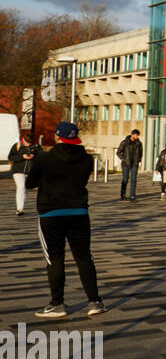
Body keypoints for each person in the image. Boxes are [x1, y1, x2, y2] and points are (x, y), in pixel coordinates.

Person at [27, 122, 104, 318]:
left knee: (54, 258)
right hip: (78, 212)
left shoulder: (44, 158)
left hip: (50, 213)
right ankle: (95, 301)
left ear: (57, 136)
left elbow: (30, 184)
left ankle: (57, 303)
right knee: (84, 256)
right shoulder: (86, 159)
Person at [8, 132, 40, 216]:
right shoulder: (17, 145)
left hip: (30, 171)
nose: (29, 144)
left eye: (30, 143)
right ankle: (20, 209)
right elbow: (10, 157)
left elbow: (41, 156)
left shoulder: (36, 146)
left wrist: (34, 156)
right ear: (23, 140)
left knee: (25, 188)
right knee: (21, 186)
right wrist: (22, 157)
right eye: (27, 143)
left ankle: (22, 206)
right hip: (18, 171)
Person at [116, 129, 143, 202]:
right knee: (125, 179)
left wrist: (138, 160)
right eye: (136, 135)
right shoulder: (125, 142)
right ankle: (123, 194)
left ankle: (132, 196)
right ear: (132, 134)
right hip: (126, 164)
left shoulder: (139, 144)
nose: (137, 137)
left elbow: (141, 153)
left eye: (138, 135)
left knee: (134, 180)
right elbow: (118, 152)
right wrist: (123, 159)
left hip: (134, 163)